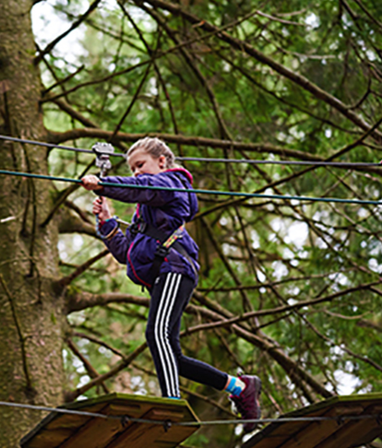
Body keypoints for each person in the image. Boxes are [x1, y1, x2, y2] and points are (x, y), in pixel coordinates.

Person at [81, 137, 261, 431]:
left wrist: (103, 184)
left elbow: (144, 188)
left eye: (141, 165)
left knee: (156, 334)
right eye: (132, 168)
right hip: (163, 275)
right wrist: (108, 223)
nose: (137, 172)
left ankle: (172, 403)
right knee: (172, 356)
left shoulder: (172, 184)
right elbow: (128, 254)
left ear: (161, 161)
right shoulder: (145, 211)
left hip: (174, 268)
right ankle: (240, 387)